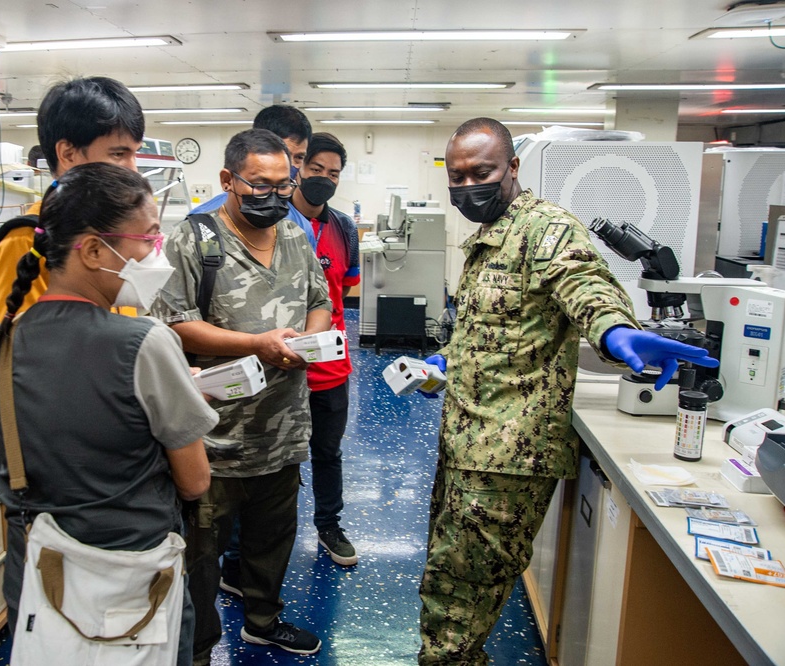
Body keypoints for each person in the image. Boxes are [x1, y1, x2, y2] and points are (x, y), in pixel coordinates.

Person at [417, 118, 718, 665]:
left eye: (480, 172)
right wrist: (450, 359)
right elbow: (496, 327)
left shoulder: (547, 229)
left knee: (456, 607)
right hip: (467, 444)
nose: (467, 187)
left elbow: (585, 287)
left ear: (512, 167)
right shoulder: (490, 236)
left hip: (507, 458)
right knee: (450, 582)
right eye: (456, 176)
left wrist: (616, 330)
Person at [0, 163, 217, 664]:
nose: (156, 253)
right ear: (91, 250)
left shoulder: (2, 342)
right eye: (147, 239)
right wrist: (175, 398)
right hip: (133, 578)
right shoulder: (145, 343)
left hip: (40, 571)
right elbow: (194, 482)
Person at [154, 128, 332, 662]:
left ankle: (262, 619)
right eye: (260, 185)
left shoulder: (296, 237)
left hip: (281, 427)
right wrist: (255, 344)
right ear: (228, 180)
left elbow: (319, 298)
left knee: (272, 537)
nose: (275, 197)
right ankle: (199, 647)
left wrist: (309, 339)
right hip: (213, 435)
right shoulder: (195, 239)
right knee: (202, 555)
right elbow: (174, 324)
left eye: (285, 184)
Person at [0, 76, 144, 327]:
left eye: (135, 153)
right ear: (67, 154)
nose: (133, 170)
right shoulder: (25, 241)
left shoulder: (110, 230)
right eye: (118, 154)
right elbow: (30, 357)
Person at [289, 132, 360, 566]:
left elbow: (343, 290)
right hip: (279, 362)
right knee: (275, 459)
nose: (324, 179)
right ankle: (256, 541)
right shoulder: (272, 221)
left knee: (327, 453)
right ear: (298, 166)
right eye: (316, 169)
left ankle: (329, 527)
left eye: (333, 173)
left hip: (330, 365)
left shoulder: (344, 229)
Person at [189, 105, 315, 247]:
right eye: (281, 153)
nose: (288, 164)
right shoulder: (201, 225)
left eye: (299, 157)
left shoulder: (301, 228)